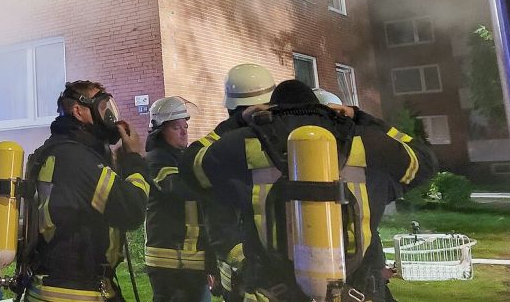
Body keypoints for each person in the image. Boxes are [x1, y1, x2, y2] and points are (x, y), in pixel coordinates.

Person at [180, 80, 438, 302]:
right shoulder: (369, 142)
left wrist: (238, 121)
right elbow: (426, 160)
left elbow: (189, 167)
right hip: (356, 293)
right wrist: (360, 117)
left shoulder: (244, 142)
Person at [23, 80, 149, 302]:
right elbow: (131, 210)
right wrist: (134, 159)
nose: (109, 116)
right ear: (78, 111)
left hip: (61, 286)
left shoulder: (58, 151)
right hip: (76, 291)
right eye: (102, 107)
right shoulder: (77, 158)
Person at [184, 63, 278, 302]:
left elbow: (191, 162)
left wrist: (233, 125)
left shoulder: (224, 151)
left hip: (247, 275)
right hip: (260, 271)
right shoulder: (286, 142)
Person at [144, 96, 211, 302]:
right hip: (170, 262)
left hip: (189, 260)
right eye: (176, 127)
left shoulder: (181, 157)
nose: (184, 132)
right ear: (159, 130)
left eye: (185, 126)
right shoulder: (156, 158)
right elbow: (175, 188)